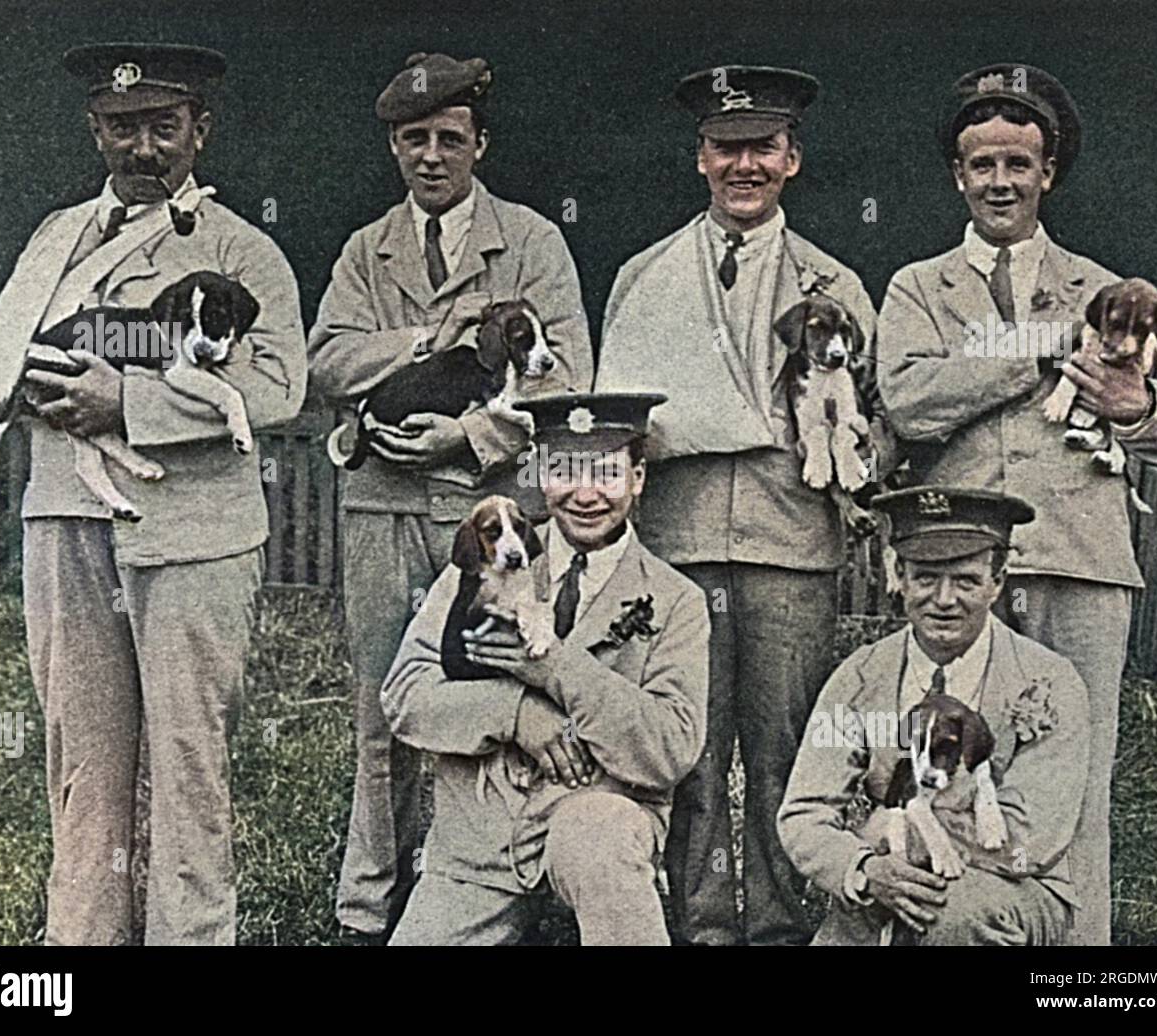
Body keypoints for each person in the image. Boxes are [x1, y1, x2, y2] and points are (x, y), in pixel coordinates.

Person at [0, 43, 306, 944]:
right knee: (83, 753)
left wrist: (132, 400)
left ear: (199, 131)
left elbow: (278, 385)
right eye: (120, 129)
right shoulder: (56, 236)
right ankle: (83, 941)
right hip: (67, 512)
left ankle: (189, 937)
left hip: (191, 529)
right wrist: (26, 385)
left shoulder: (240, 249)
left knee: (189, 757)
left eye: (162, 128)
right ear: (94, 131)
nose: (141, 150)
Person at [875, 63, 1157, 944]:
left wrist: (1139, 409)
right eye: (983, 165)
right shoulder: (917, 289)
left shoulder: (1103, 286)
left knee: (1076, 775)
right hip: (961, 568)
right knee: (959, 768)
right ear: (958, 176)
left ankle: (1078, 965)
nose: (1001, 182)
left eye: (1019, 163)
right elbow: (907, 400)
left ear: (1047, 171)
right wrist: (1035, 352)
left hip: (1080, 557)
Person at [595, 64, 890, 945]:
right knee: (685, 746)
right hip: (677, 542)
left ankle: (776, 923)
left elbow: (864, 419)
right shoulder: (645, 276)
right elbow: (620, 419)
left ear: (793, 158)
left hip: (788, 544)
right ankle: (694, 922)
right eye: (728, 148)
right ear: (701, 159)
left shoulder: (834, 285)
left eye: (763, 147)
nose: (745, 165)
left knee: (784, 750)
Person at [307, 52, 593, 941]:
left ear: (480, 143)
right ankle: (371, 906)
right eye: (413, 140)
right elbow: (326, 362)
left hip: (492, 508)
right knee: (385, 704)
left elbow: (570, 377)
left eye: (449, 139)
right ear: (394, 147)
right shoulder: (367, 250)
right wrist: (428, 340)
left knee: (509, 684)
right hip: (385, 509)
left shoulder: (534, 242)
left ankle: (505, 889)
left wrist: (468, 435)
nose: (431, 156)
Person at [382, 393, 709, 945]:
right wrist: (514, 713)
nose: (585, 494)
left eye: (606, 473)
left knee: (600, 836)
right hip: (479, 841)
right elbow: (405, 696)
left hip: (594, 825)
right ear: (541, 476)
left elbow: (671, 748)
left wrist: (559, 668)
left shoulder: (676, 600)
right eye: (565, 471)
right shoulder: (485, 563)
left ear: (638, 478)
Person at [780, 487, 1090, 945]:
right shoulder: (860, 678)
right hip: (885, 878)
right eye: (925, 578)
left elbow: (1032, 838)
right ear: (897, 574)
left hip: (1011, 885)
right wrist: (864, 868)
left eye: (966, 580)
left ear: (998, 580)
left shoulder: (1047, 682)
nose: (944, 600)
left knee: (950, 913)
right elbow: (805, 812)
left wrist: (892, 835)